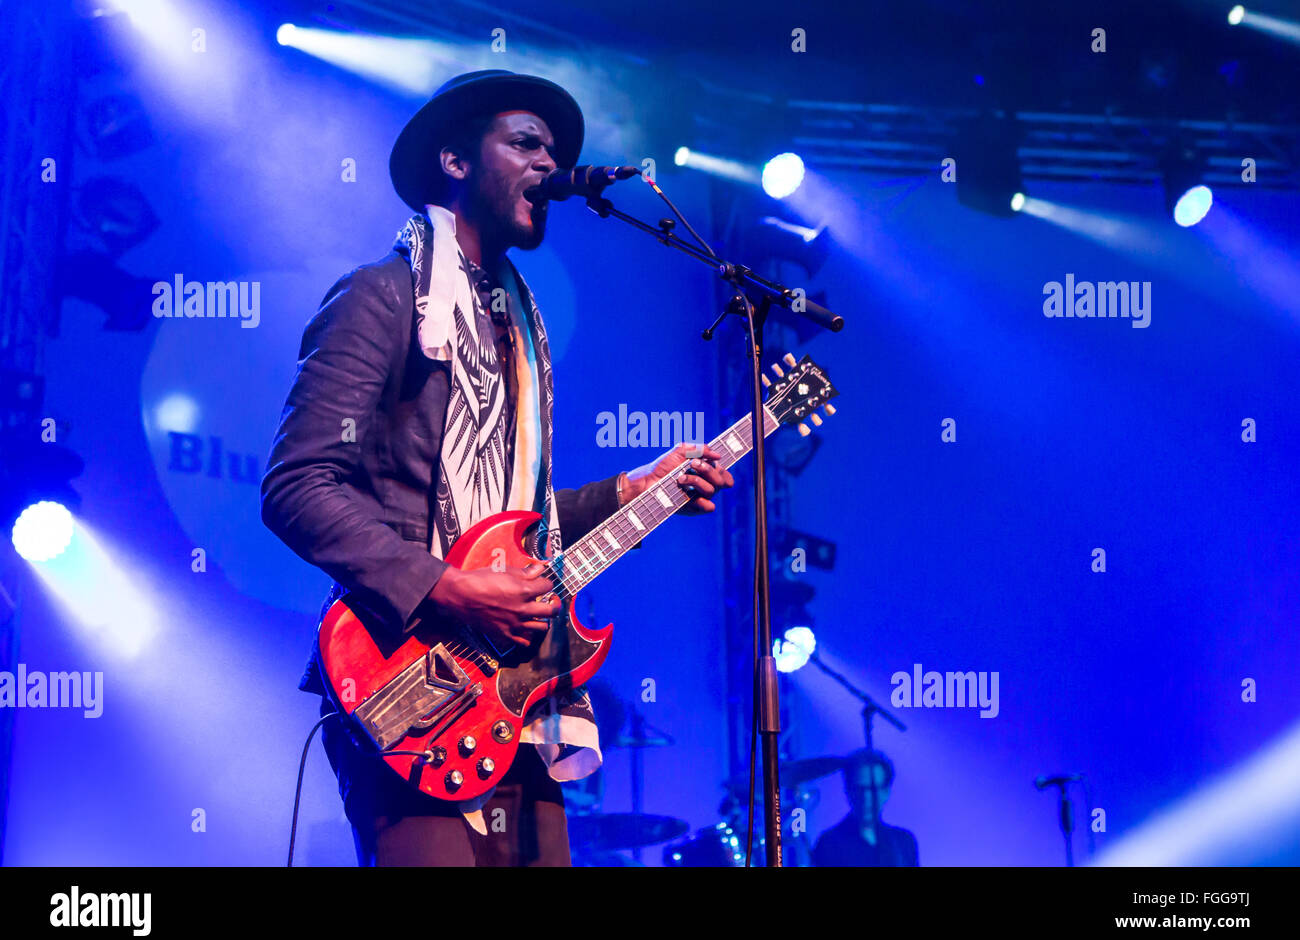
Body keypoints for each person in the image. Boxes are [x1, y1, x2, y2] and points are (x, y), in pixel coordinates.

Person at [260, 70, 733, 866]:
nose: (549, 164)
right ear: (454, 158)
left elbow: (521, 526)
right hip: (412, 682)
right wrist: (443, 584)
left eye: (554, 151)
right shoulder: (384, 298)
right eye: (525, 143)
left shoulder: (516, 327)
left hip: (518, 692)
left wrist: (632, 492)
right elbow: (296, 484)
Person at [811, 749, 919, 867]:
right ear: (848, 791)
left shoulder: (903, 842)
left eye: (874, 789)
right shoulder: (829, 844)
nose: (867, 798)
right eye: (860, 789)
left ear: (886, 792)